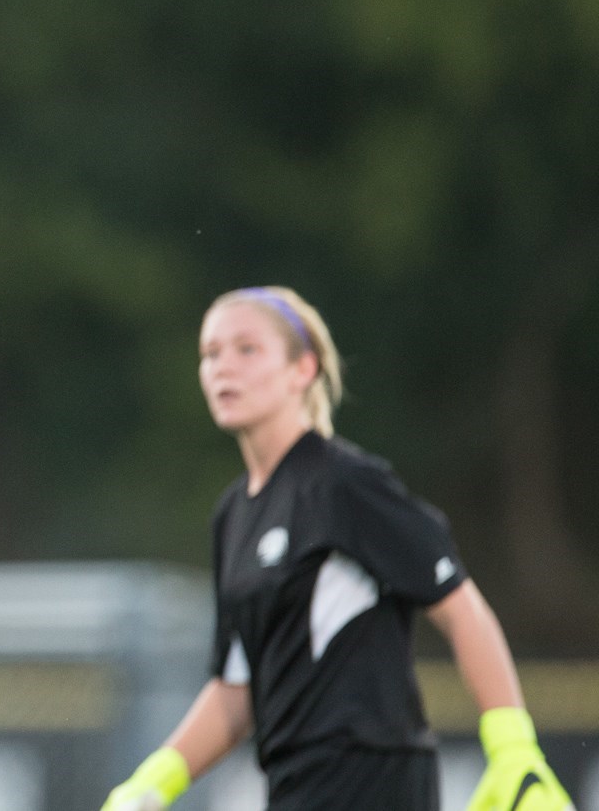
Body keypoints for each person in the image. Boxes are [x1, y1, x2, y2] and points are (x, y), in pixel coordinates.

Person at [101, 287, 573, 811]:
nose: (222, 367)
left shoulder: (343, 485)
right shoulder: (233, 515)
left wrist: (512, 750)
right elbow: (237, 690)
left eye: (247, 349)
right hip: (293, 786)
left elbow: (462, 610)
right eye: (210, 354)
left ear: (302, 369)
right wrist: (154, 781)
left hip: (372, 779)